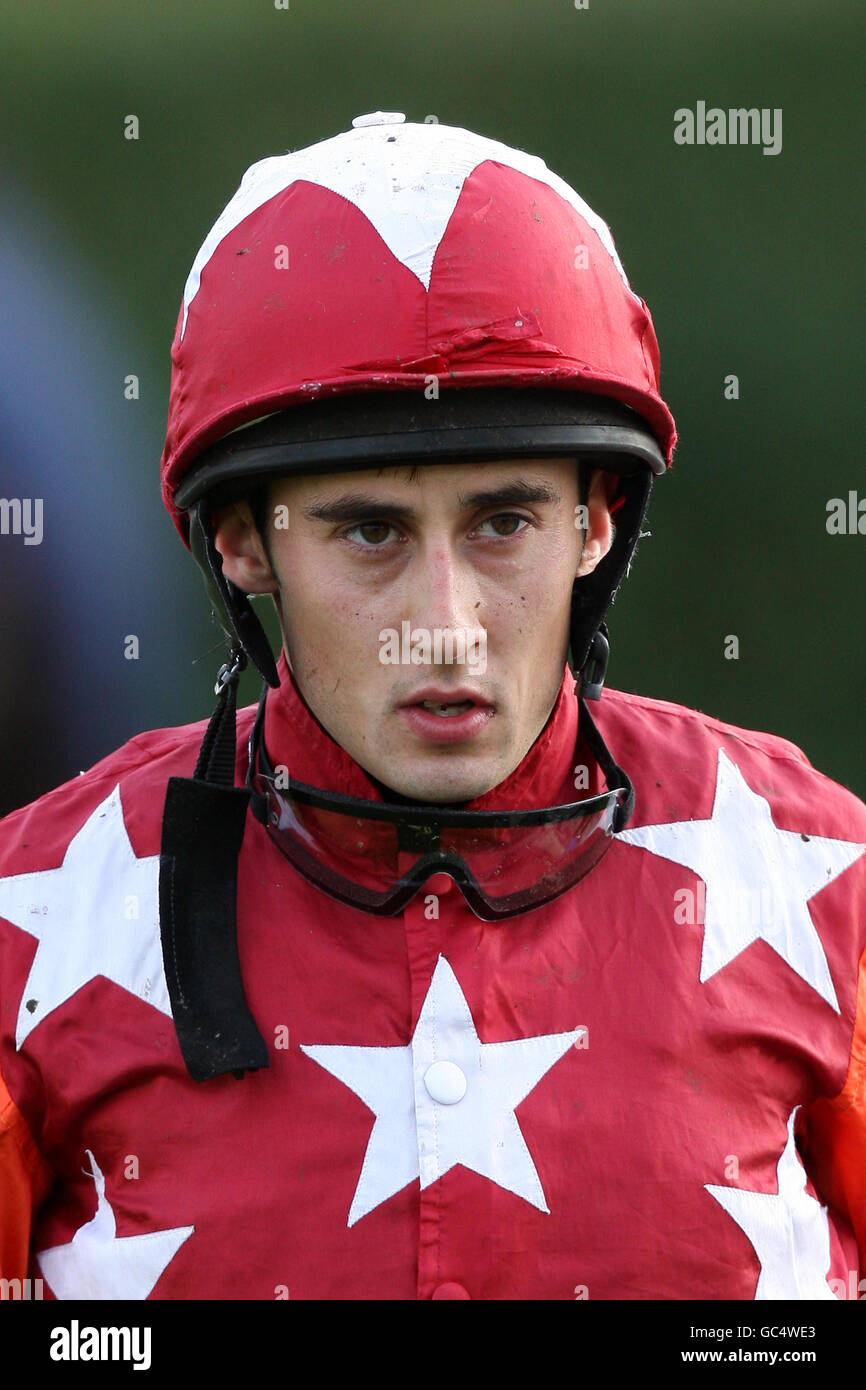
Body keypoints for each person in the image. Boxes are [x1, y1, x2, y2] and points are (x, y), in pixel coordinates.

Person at [1, 112, 864, 1303]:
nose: (444, 624)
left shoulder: (826, 886)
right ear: (244, 542)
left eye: (502, 520)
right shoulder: (28, 923)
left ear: (594, 520)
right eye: (371, 532)